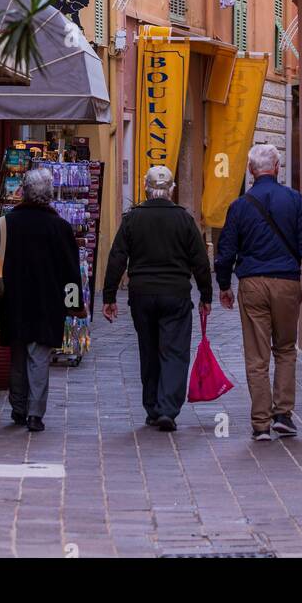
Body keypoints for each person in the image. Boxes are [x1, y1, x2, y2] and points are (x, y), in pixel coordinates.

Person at [215, 143, 302, 442]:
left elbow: (225, 252)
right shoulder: (294, 200)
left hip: (252, 283)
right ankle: (283, 415)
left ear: (251, 171)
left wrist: (224, 285)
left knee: (256, 356)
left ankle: (261, 423)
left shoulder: (239, 206)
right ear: (277, 168)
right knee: (286, 349)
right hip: (287, 282)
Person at [101, 165, 213, 432]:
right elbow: (200, 261)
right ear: (172, 190)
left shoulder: (132, 219)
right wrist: (206, 296)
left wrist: (109, 296)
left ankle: (152, 406)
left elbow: (117, 257)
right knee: (174, 351)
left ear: (145, 188)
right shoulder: (184, 220)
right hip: (176, 294)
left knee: (148, 349)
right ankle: (167, 409)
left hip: (142, 294)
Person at [0, 166, 83, 433]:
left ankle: (18, 408)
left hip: (13, 302)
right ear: (49, 195)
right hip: (47, 304)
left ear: (24, 192)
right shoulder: (59, 227)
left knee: (17, 354)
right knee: (38, 356)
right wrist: (74, 305)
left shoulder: (5, 224)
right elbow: (71, 270)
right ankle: (35, 414)